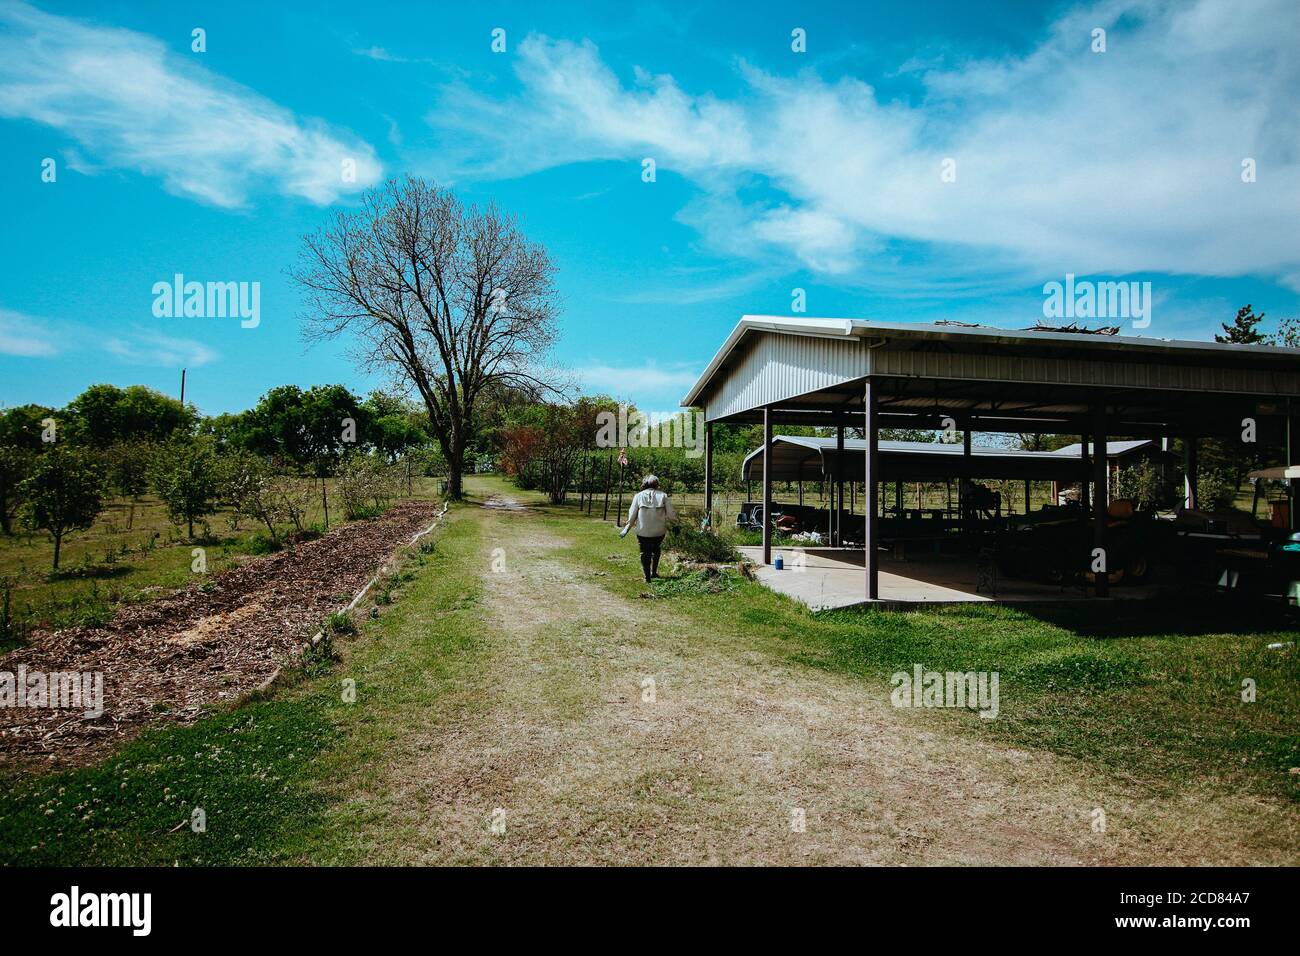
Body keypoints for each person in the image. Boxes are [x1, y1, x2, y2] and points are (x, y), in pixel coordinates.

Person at [619, 474, 678, 583]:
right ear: (657, 484)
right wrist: (675, 525)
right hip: (659, 531)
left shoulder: (638, 496)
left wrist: (626, 528)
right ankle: (654, 572)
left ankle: (647, 577)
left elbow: (632, 514)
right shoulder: (664, 496)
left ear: (644, 484)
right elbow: (671, 514)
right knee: (656, 550)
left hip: (643, 531)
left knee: (644, 552)